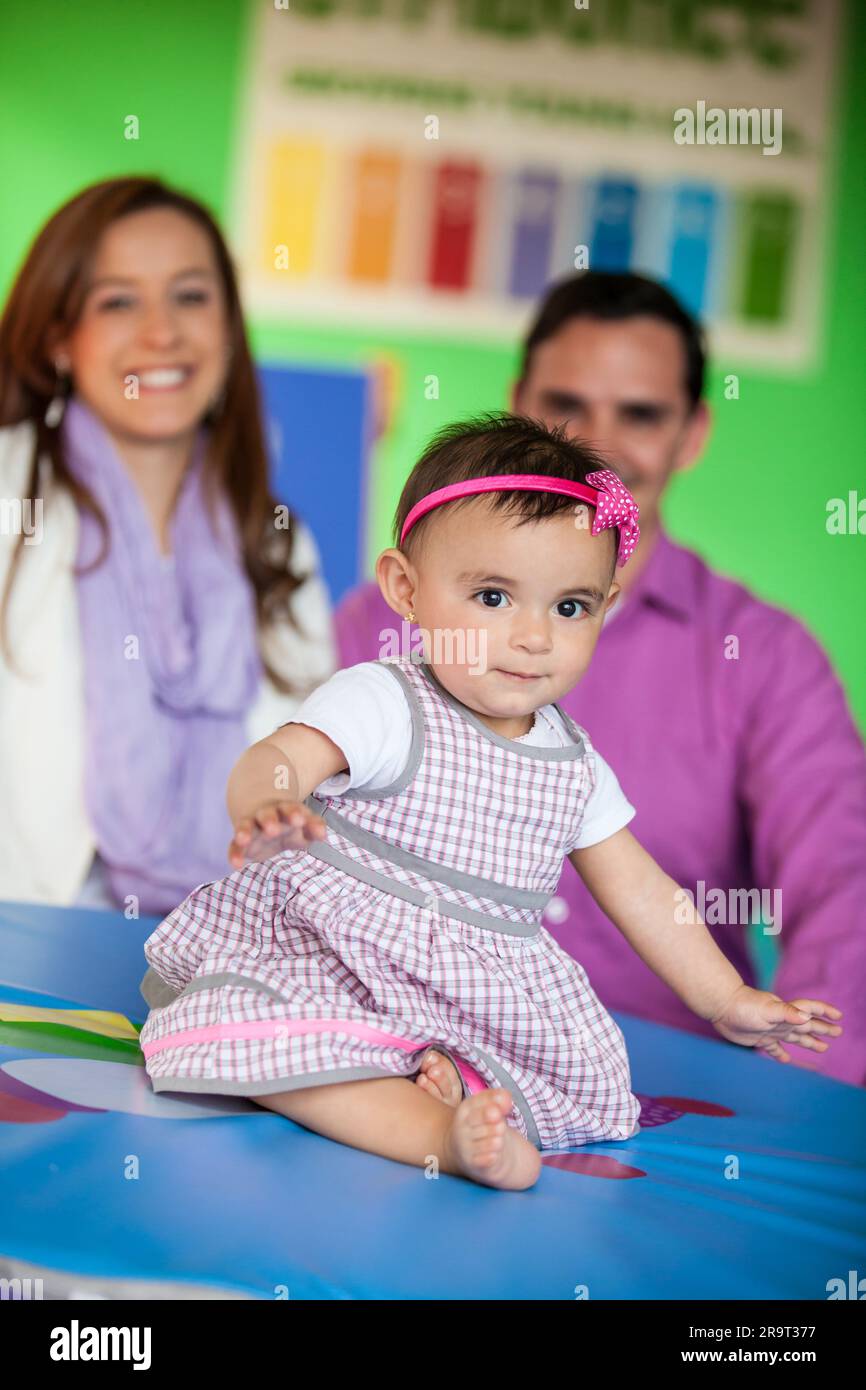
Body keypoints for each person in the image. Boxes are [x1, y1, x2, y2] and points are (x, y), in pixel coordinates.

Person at [137, 417, 842, 1191]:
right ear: (406, 589)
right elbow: (279, 757)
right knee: (275, 1047)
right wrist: (269, 806)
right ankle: (433, 1128)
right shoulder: (386, 700)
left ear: (605, 607)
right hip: (340, 956)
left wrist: (726, 999)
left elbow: (644, 893)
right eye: (494, 596)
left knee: (557, 1091)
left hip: (475, 991)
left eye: (570, 607)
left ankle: (459, 1101)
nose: (533, 636)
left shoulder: (573, 764)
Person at [333, 273, 866, 1087]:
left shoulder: (765, 658)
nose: (601, 443)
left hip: (653, 1097)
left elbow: (844, 889)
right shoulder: (381, 621)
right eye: (567, 403)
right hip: (387, 1057)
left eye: (642, 414)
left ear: (692, 433)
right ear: (518, 405)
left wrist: (808, 1098)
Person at [0, 177, 336, 915]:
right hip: (27, 936)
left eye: (190, 296)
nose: (162, 333)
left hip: (229, 951)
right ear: (59, 336)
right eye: (118, 301)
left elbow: (315, 771)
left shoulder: (281, 542)